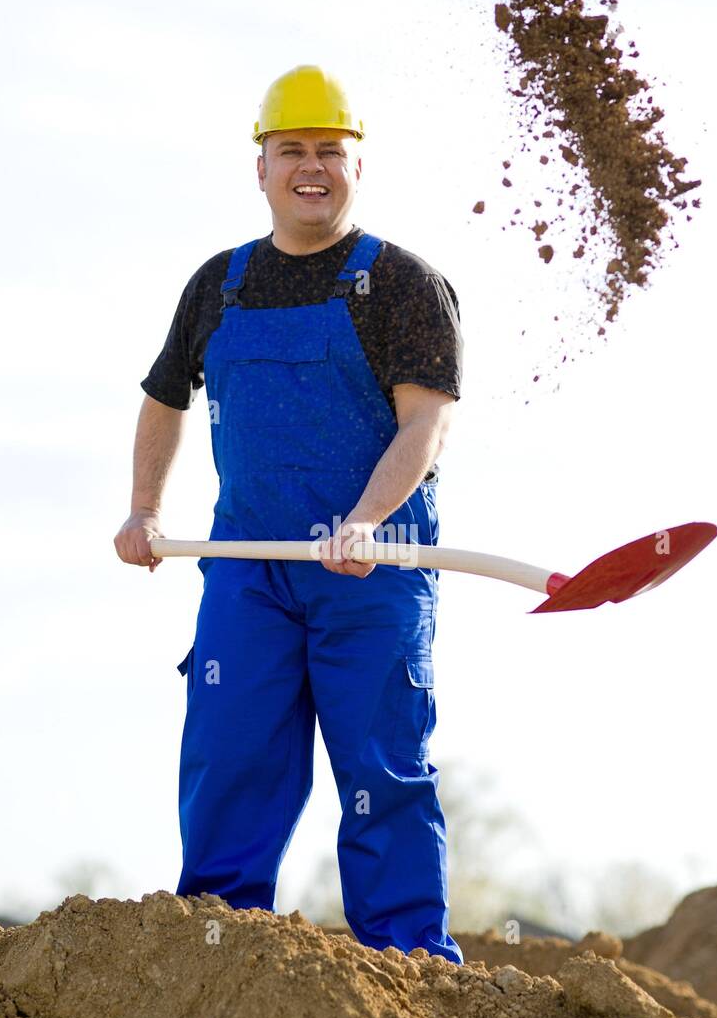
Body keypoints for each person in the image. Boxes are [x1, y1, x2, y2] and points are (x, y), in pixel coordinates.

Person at [114, 64, 464, 962]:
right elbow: (164, 399)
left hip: (370, 573)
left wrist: (367, 520)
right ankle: (216, 954)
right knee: (231, 760)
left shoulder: (401, 284)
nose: (311, 167)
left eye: (329, 153)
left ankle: (410, 968)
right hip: (247, 573)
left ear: (357, 166)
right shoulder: (218, 285)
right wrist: (143, 510)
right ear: (261, 166)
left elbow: (425, 421)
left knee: (380, 772)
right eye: (291, 151)